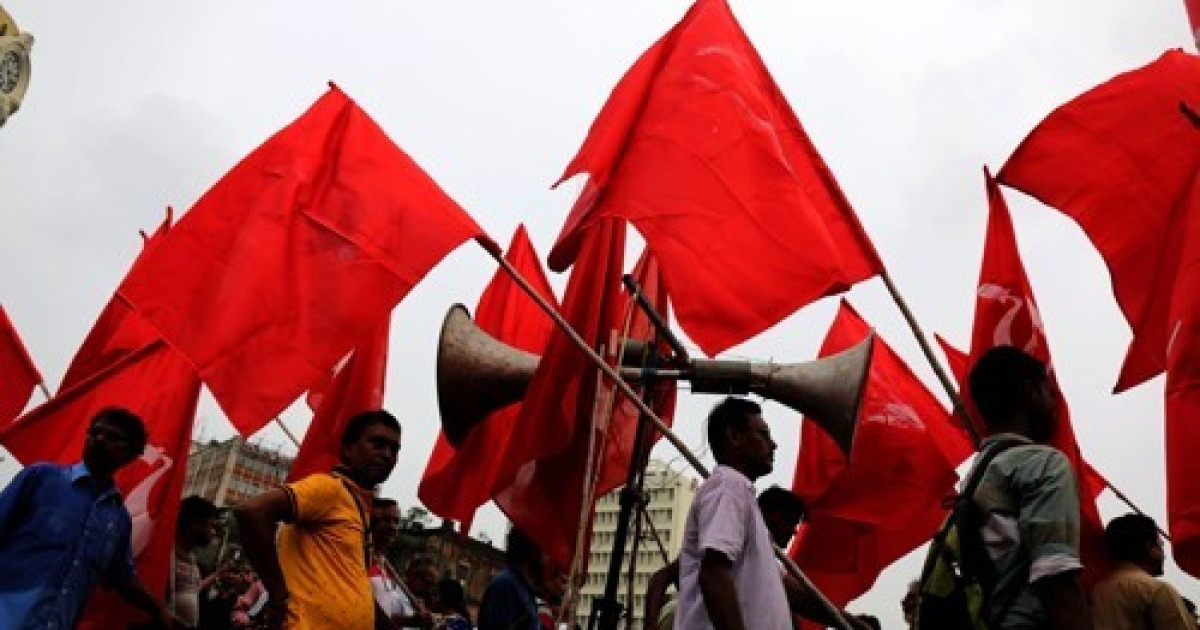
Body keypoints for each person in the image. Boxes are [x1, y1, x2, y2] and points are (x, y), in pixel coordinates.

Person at [674, 397, 856, 630]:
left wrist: (849, 623)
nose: (773, 444)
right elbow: (713, 573)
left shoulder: (743, 497)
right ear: (734, 436)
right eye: (763, 434)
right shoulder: (729, 484)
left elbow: (789, 590)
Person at [0, 407, 171, 629]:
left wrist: (159, 610)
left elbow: (123, 577)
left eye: (113, 437)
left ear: (132, 454)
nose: (99, 439)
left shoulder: (118, 520)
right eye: (95, 432)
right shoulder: (41, 478)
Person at [235, 410, 402, 630]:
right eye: (378, 443)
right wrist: (278, 595)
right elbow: (252, 511)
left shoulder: (358, 509)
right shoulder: (330, 488)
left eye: (394, 449)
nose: (387, 454)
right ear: (347, 449)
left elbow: (356, 590)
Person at [963, 346, 1091, 629]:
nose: (1054, 405)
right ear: (1029, 391)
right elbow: (1055, 575)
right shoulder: (1043, 464)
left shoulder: (975, 477)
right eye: (1049, 394)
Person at [644, 485, 806, 629]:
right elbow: (662, 577)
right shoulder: (729, 541)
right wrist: (651, 625)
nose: (794, 531)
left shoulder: (767, 566)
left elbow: (795, 600)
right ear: (766, 515)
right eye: (790, 521)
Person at [1091, 513, 1196, 629]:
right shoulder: (1157, 589)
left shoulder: (1094, 591)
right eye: (1160, 545)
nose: (1164, 555)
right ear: (1150, 547)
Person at [370, 498, 431, 629]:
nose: (392, 526)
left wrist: (413, 620)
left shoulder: (386, 566)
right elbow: (370, 610)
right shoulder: (359, 559)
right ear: (372, 521)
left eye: (396, 522)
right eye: (386, 520)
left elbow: (388, 612)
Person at [169, 495, 221, 628]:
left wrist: (218, 574)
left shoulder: (192, 559)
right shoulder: (166, 556)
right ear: (195, 523)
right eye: (210, 526)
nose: (213, 532)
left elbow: (193, 590)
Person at [478, 526, 544, 630]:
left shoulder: (524, 589)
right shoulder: (506, 584)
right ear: (531, 550)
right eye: (542, 545)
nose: (545, 554)